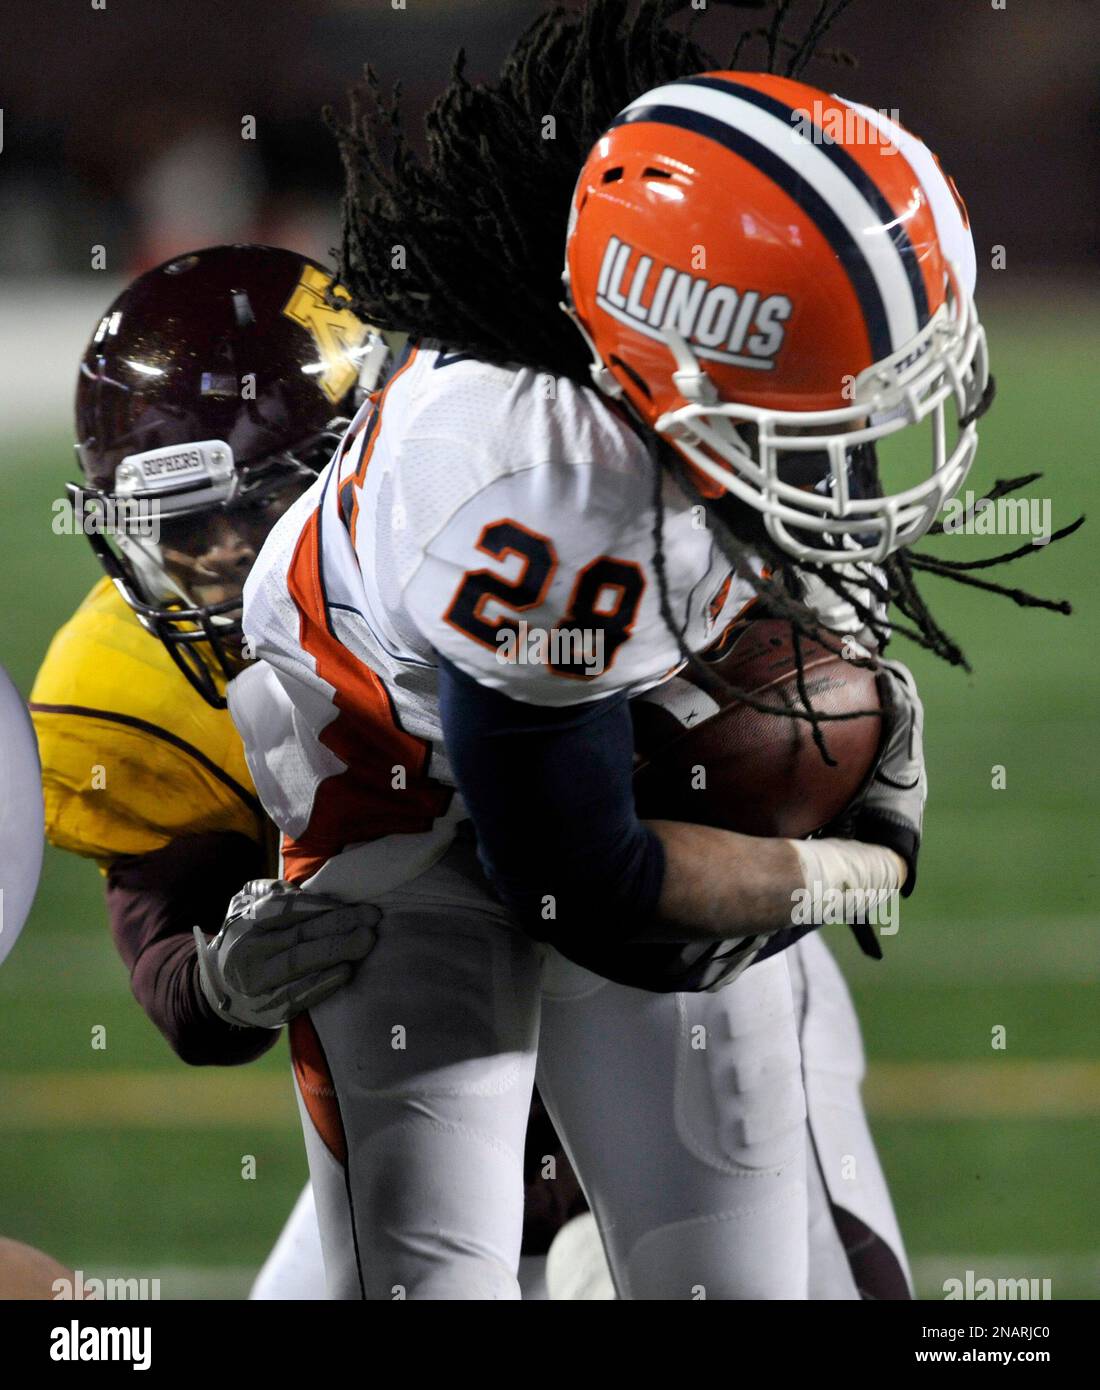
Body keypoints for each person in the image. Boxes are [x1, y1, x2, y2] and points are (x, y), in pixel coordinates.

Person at [228, 0, 1047, 1299]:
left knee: (744, 1275)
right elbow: (579, 878)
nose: (864, 435)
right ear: (676, 374)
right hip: (397, 790)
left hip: (581, 709)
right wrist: (842, 870)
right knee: (434, 1268)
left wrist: (822, 717)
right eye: (832, 389)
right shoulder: (530, 488)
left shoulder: (700, 399)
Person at [29, 245, 583, 1300]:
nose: (222, 553)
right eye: (176, 524)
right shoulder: (129, 684)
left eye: (265, 503)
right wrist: (223, 981)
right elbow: (174, 974)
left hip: (637, 1042)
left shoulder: (500, 566)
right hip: (428, 1105)